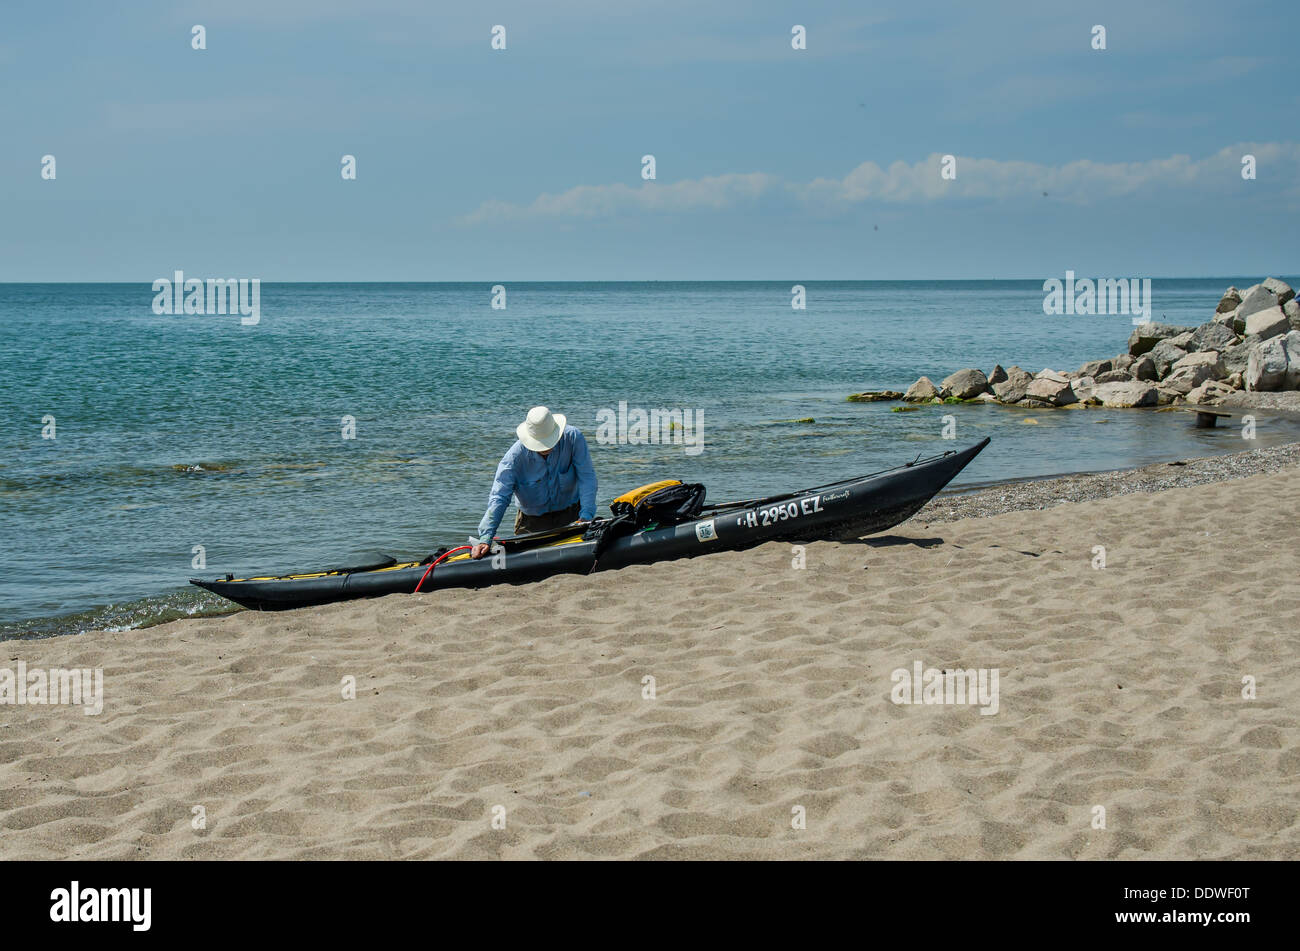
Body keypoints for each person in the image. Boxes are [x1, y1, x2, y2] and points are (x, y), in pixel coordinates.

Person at [471, 406, 597, 559]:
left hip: (572, 514)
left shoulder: (573, 438)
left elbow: (587, 477)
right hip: (532, 523)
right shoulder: (513, 459)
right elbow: (499, 497)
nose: (546, 447)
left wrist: (586, 515)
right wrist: (486, 538)